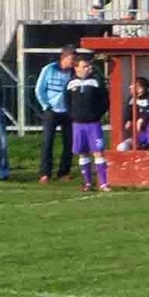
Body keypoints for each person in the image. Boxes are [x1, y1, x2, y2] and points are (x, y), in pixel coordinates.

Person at [66, 56, 111, 193]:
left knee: (98, 152)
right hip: (78, 124)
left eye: (89, 66)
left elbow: (104, 101)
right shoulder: (70, 83)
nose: (88, 68)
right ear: (76, 68)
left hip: (93, 123)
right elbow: (67, 101)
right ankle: (87, 183)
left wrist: (97, 114)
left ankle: (103, 183)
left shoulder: (96, 82)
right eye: (85, 66)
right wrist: (73, 115)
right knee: (82, 153)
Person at [34, 45, 76, 184]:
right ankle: (45, 173)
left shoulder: (73, 73)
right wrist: (46, 105)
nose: (73, 62)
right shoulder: (48, 69)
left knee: (69, 142)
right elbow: (39, 89)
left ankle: (64, 172)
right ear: (63, 57)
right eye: (71, 59)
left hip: (68, 111)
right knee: (47, 141)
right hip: (51, 110)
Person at [126, 76, 149, 149]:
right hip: (138, 128)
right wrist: (128, 120)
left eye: (135, 86)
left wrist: (143, 119)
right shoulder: (131, 99)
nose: (131, 87)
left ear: (142, 88)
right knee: (125, 146)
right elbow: (128, 111)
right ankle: (138, 142)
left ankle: (148, 142)